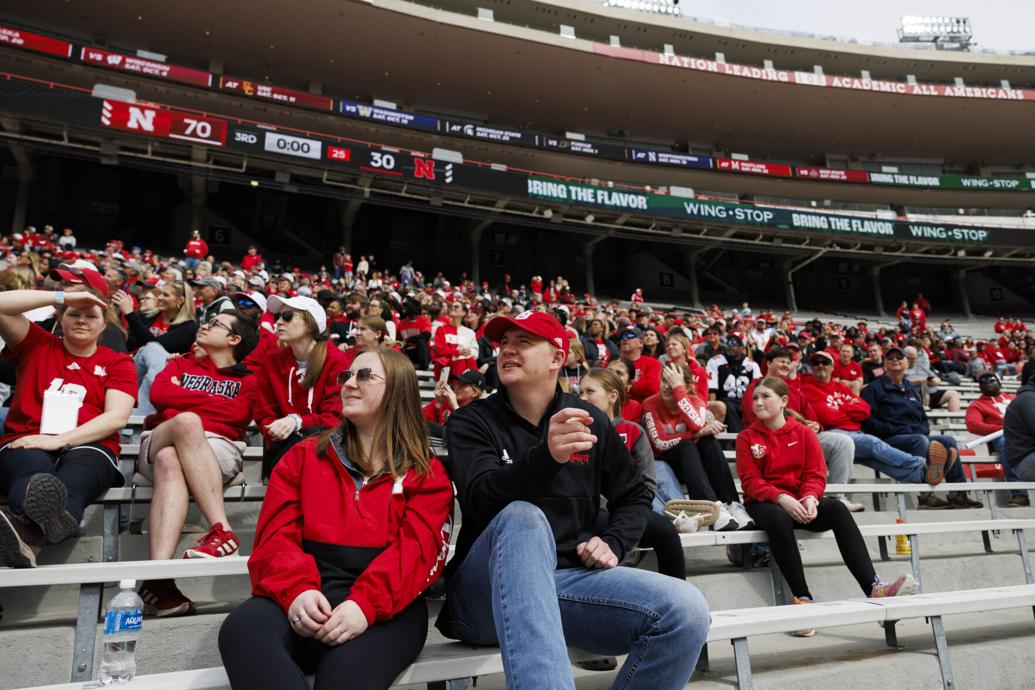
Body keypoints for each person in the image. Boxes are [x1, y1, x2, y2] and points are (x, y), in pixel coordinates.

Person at [437, 311, 709, 689]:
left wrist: (614, 541)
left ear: (556, 358)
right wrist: (545, 459)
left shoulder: (589, 419)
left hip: (564, 582)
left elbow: (634, 495)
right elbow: (479, 500)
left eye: (523, 342)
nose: (508, 351)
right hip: (483, 593)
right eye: (504, 343)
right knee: (523, 517)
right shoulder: (471, 421)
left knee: (686, 610)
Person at [218, 348, 453, 690]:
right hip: (307, 589)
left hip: (387, 606)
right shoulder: (304, 457)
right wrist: (297, 591)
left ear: (397, 390)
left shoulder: (426, 474)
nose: (348, 384)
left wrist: (363, 605)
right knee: (242, 631)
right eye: (346, 376)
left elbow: (417, 552)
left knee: (344, 677)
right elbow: (275, 537)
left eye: (364, 376)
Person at [737, 376, 918, 636]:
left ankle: (873, 586)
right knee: (777, 517)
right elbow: (751, 482)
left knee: (836, 508)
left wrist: (810, 497)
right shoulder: (747, 437)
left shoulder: (804, 433)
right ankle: (803, 599)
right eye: (755, 397)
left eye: (766, 396)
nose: (758, 401)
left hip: (800, 501)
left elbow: (816, 474)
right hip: (767, 502)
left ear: (784, 401)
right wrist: (782, 497)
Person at [0, 288, 136, 568]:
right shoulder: (37, 344)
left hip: (90, 444)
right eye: (74, 313)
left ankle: (28, 530)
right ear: (60, 318)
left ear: (104, 325)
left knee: (75, 478)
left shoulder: (117, 362)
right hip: (29, 438)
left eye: (91, 315)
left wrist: (60, 439)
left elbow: (116, 418)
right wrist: (60, 297)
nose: (82, 320)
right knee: (33, 469)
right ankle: (51, 525)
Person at [135, 310, 259, 616]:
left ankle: (156, 580)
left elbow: (238, 416)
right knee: (187, 424)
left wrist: (185, 397)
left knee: (170, 457)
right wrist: (205, 407)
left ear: (234, 339)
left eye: (216, 323)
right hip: (163, 435)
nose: (204, 324)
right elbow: (160, 393)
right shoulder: (181, 361)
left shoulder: (248, 379)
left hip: (219, 448)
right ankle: (222, 529)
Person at [579, 368, 686, 579]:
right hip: (588, 511)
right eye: (580, 392)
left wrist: (628, 511)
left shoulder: (633, 431)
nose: (582, 397)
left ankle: (680, 596)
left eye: (590, 391)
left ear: (612, 396)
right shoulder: (574, 432)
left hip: (629, 509)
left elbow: (647, 485)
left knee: (666, 531)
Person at [800, 350, 944, 493]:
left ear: (832, 367)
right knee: (872, 442)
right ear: (811, 367)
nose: (820, 365)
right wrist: (849, 409)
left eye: (824, 362)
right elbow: (828, 417)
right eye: (815, 362)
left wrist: (841, 407)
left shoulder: (841, 387)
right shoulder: (807, 388)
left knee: (879, 460)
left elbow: (864, 410)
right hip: (833, 434)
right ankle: (923, 465)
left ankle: (922, 476)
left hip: (855, 433)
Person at [860, 346, 982, 509]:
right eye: (890, 358)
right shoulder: (873, 389)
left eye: (899, 357)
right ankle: (925, 497)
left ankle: (958, 494)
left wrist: (922, 430)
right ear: (885, 365)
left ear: (906, 363)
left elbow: (921, 417)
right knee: (920, 441)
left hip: (914, 436)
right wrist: (893, 429)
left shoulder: (910, 388)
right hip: (888, 439)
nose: (895, 360)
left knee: (948, 441)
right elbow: (867, 420)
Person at [743, 348, 862, 513]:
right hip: (772, 439)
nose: (786, 365)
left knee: (843, 442)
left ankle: (836, 496)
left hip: (802, 436)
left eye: (788, 362)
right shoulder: (756, 387)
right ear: (768, 363)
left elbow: (814, 420)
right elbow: (755, 418)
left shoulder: (793, 390)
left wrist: (815, 426)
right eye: (781, 361)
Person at [643, 361, 750, 531]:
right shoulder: (650, 403)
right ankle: (709, 508)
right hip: (668, 469)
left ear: (686, 385)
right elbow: (660, 442)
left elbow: (697, 424)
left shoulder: (695, 400)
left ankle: (732, 504)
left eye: (673, 382)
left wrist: (680, 393)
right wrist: (696, 435)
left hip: (695, 468)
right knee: (688, 445)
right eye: (664, 380)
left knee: (709, 442)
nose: (667, 386)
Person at [254, 296, 348, 479]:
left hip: (326, 443)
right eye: (277, 317)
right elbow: (264, 413)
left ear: (310, 323)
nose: (279, 322)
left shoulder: (337, 361)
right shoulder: (271, 362)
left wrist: (297, 422)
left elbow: (336, 417)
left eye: (287, 316)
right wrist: (276, 429)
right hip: (283, 445)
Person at [965, 373, 1028, 507]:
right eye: (984, 383)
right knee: (1006, 443)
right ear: (980, 387)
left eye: (992, 381)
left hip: (1026, 432)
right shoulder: (977, 405)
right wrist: (1004, 427)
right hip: (1001, 436)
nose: (988, 384)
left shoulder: (1014, 397)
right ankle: (1020, 493)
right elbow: (973, 425)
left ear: (999, 383)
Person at [706, 334, 759, 432]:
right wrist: (711, 410)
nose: (730, 345)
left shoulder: (752, 365)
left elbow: (758, 389)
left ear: (742, 348)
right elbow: (711, 390)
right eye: (729, 342)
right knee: (728, 405)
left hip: (745, 402)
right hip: (724, 401)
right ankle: (736, 439)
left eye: (735, 343)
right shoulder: (715, 361)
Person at [423, 369, 484, 438]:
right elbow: (419, 420)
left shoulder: (479, 411)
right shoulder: (446, 401)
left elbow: (467, 435)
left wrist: (455, 407)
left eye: (463, 384)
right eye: (457, 382)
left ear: (475, 393)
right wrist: (438, 403)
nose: (457, 386)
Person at [618, 325, 662, 404]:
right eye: (622, 336)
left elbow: (652, 388)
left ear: (641, 343)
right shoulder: (614, 364)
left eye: (630, 336)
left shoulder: (652, 363)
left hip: (643, 410)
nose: (625, 339)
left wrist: (623, 384)